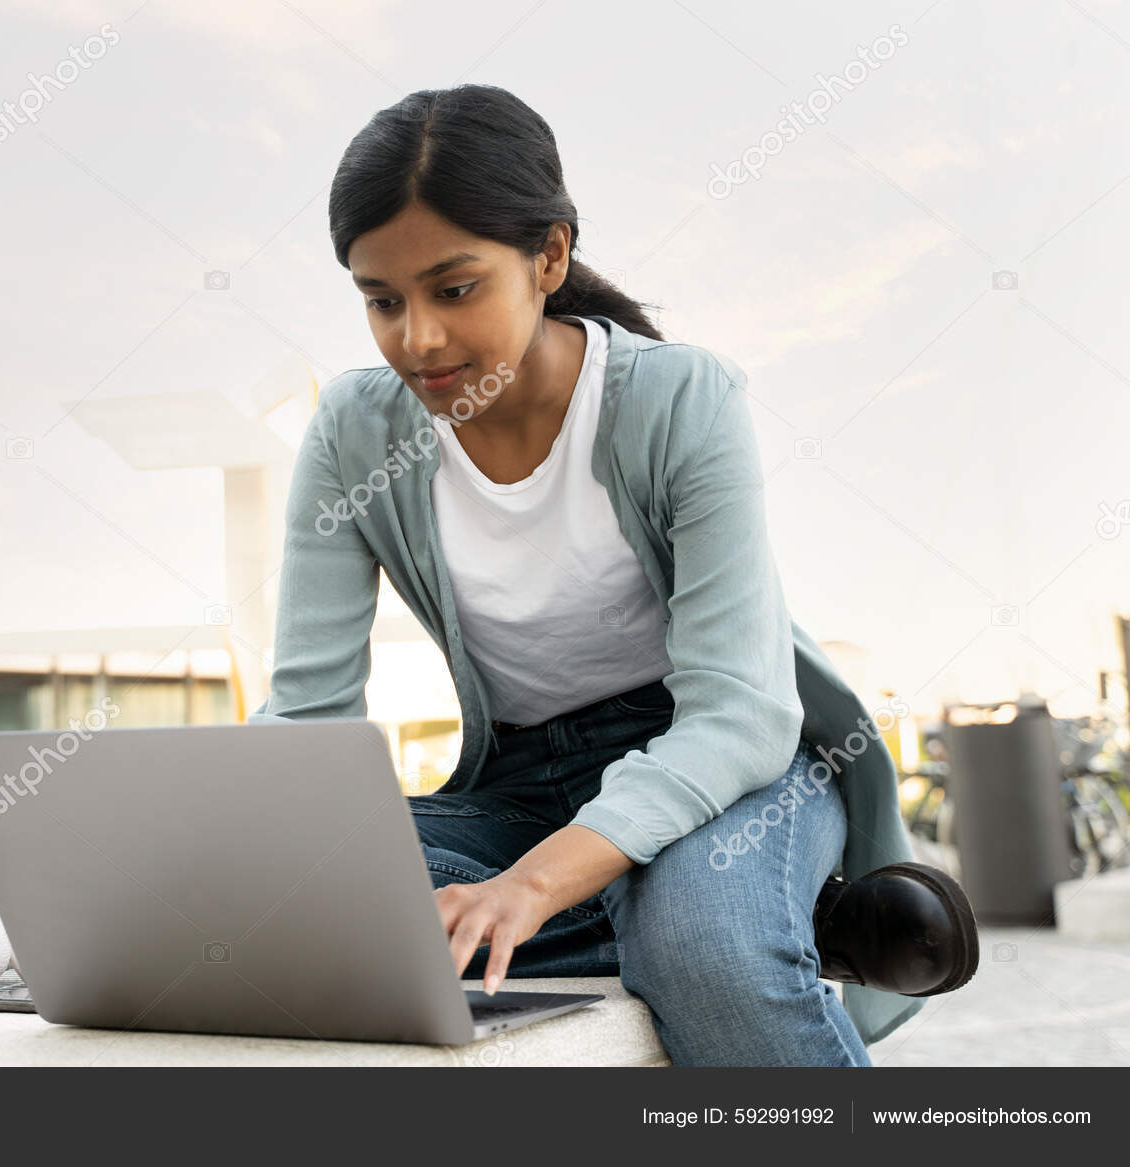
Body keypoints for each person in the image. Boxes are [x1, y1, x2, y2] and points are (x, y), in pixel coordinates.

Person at [249, 84, 976, 1066]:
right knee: (300, 899)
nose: (415, 337)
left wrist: (537, 885)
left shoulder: (680, 398)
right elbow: (307, 718)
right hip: (517, 786)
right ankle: (753, 906)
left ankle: (709, 901)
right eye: (381, 300)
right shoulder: (354, 432)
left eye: (453, 289)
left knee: (704, 946)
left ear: (547, 257)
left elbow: (737, 716)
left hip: (720, 763)